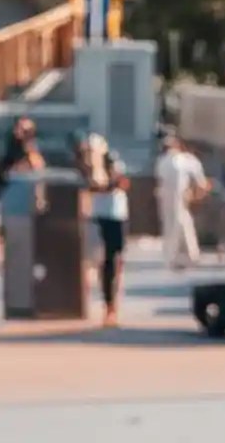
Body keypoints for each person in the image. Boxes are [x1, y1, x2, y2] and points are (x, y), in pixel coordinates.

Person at [80, 134, 130, 328]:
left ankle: (110, 307)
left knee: (112, 261)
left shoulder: (112, 163)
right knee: (91, 262)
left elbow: (120, 183)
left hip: (114, 215)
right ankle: (94, 304)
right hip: (95, 215)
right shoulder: (84, 166)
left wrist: (106, 181)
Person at [155, 135, 207, 271]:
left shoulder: (185, 160)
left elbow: (200, 181)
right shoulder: (164, 161)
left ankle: (184, 256)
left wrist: (195, 195)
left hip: (180, 196)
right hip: (170, 197)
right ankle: (181, 256)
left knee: (179, 224)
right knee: (176, 224)